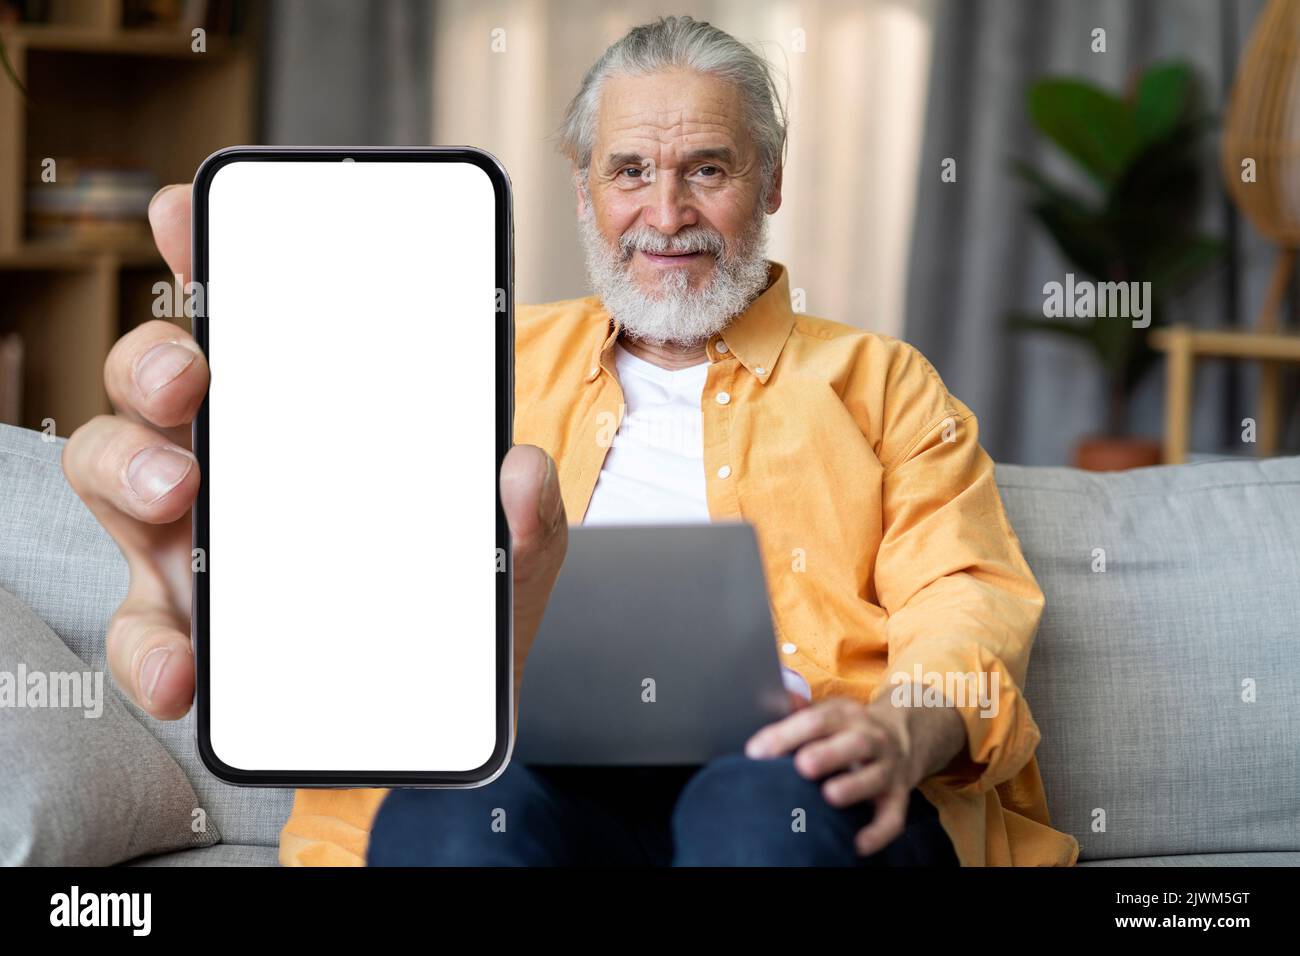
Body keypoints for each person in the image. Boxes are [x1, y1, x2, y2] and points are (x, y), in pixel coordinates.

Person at [64, 15, 1078, 867]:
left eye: (707, 169)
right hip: (533, 774)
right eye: (628, 169)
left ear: (768, 183)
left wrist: (904, 726)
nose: (665, 213)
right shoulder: (468, 359)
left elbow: (967, 598)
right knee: (448, 817)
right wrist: (265, 541)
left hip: (799, 780)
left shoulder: (882, 381)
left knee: (756, 815)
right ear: (584, 185)